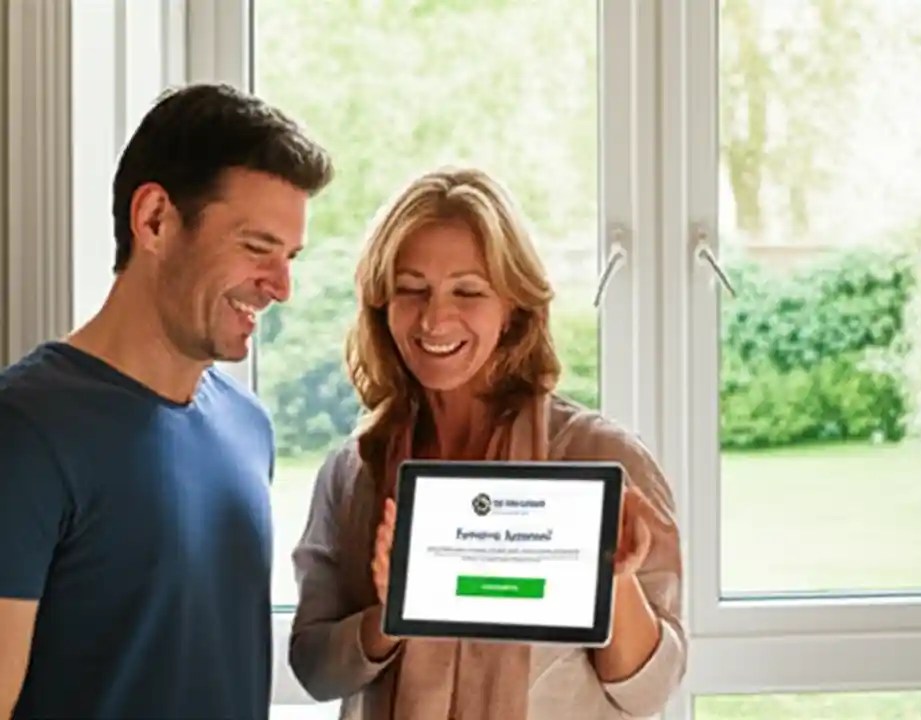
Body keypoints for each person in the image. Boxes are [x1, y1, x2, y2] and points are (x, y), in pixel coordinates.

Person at [288, 167, 686, 719]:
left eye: (468, 290)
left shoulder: (598, 459)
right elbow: (313, 667)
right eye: (411, 290)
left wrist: (614, 582)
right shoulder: (355, 472)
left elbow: (650, 691)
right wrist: (392, 612)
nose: (434, 317)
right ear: (383, 305)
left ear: (514, 309)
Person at [0, 83, 333, 719]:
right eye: (257, 248)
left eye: (289, 257)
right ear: (154, 219)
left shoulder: (248, 427)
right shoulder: (23, 433)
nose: (281, 286)